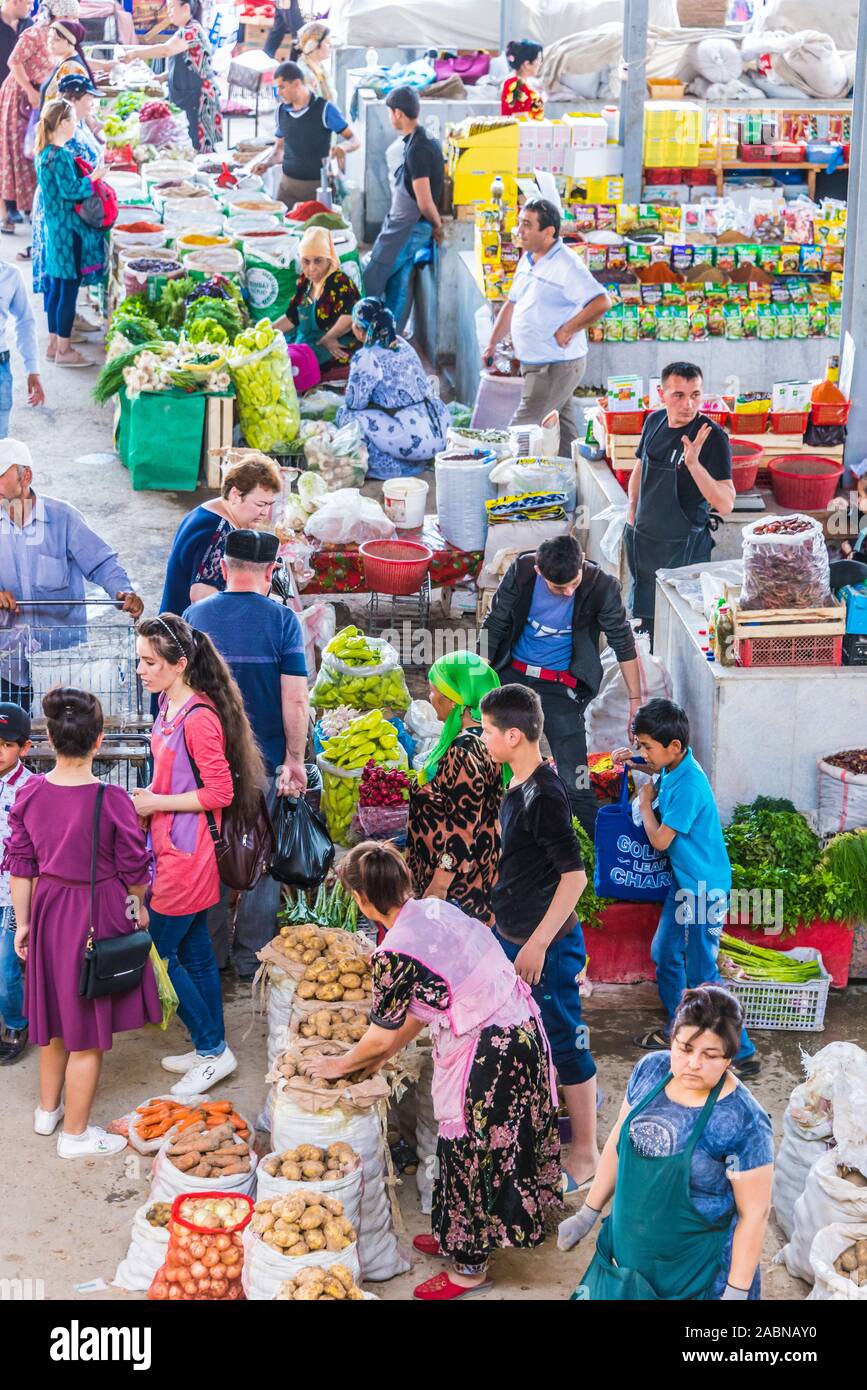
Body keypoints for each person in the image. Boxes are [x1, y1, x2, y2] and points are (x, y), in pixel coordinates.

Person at [303, 842, 562, 1302]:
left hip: (490, 1050)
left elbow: (384, 1032)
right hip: (518, 1031)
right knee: (464, 1148)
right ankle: (455, 1233)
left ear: (362, 899)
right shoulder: (434, 911)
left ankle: (470, 1268)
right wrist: (375, 1059)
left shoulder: (396, 951)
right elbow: (420, 1012)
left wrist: (341, 1064)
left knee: (469, 1150)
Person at [7, 687, 158, 1158]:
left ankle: (46, 1112)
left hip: (48, 910)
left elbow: (20, 866)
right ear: (99, 742)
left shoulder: (29, 793)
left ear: (50, 739)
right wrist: (139, 907)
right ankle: (74, 1135)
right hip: (97, 913)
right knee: (88, 1034)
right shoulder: (111, 799)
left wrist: (23, 925)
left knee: (53, 1019)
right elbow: (136, 872)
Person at [558, 986, 773, 1301]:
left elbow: (754, 1214)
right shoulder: (651, 1070)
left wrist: (736, 1292)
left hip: (696, 1275)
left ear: (729, 1057)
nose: (693, 1063)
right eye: (685, 1048)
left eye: (710, 1055)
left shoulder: (743, 1120)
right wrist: (588, 1212)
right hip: (627, 1260)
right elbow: (620, 1139)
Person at [133, 613, 266, 1096]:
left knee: (159, 955)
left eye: (149, 662)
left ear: (179, 663)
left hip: (187, 857)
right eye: (140, 661)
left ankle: (212, 1049)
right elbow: (178, 779)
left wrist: (156, 802)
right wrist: (152, 797)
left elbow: (221, 792)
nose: (142, 671)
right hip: (170, 846)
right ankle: (211, 1047)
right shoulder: (168, 706)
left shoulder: (199, 718)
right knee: (196, 955)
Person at [480, 683, 599, 1193]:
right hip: (517, 935)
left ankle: (586, 1153)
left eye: (486, 731)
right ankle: (553, 1125)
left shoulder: (546, 794)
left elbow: (575, 877)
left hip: (543, 947)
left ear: (513, 735)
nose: (481, 738)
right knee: (532, 1037)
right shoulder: (518, 781)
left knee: (565, 1038)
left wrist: (538, 944)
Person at [183, 530, 309, 980]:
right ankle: (251, 953)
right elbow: (295, 700)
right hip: (265, 763)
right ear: (271, 572)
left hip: (204, 765)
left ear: (223, 568)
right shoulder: (283, 622)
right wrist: (294, 760)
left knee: (211, 852)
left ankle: (211, 953)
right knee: (259, 854)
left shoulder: (195, 617)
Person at [613, 698, 759, 1077]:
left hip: (705, 891)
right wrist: (630, 760)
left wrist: (644, 804)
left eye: (646, 746)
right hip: (684, 882)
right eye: (640, 744)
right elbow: (654, 766)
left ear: (674, 747)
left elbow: (660, 840)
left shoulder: (690, 784)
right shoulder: (672, 765)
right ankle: (680, 1027)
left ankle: (742, 1051)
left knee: (703, 972)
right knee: (664, 952)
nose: (643, 751)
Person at [481, 534, 640, 838]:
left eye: (573, 582)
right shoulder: (524, 571)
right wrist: (481, 675)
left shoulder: (601, 586)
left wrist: (635, 698)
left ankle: (603, 856)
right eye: (558, 587)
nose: (568, 592)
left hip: (560, 688)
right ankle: (500, 840)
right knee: (493, 762)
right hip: (513, 675)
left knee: (575, 782)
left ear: (581, 561)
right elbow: (496, 622)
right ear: (541, 572)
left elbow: (623, 643)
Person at [0, 438, 143, 705]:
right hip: (8, 661)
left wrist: (122, 591)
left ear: (26, 476)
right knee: (11, 737)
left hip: (62, 659)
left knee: (64, 734)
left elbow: (101, 562)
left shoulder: (63, 517)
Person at [483, 198, 610, 458]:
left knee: (521, 431)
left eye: (527, 225)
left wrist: (568, 328)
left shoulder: (567, 264)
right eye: (520, 223)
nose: (519, 231)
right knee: (563, 431)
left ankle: (505, 488)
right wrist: (492, 342)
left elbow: (601, 302)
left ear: (549, 232)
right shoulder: (528, 258)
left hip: (554, 366)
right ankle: (572, 482)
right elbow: (512, 303)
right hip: (537, 363)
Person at [625, 361, 734, 640]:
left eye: (695, 395)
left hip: (683, 551)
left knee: (676, 633)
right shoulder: (654, 421)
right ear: (662, 395)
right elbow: (640, 468)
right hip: (644, 542)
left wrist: (694, 465)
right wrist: (631, 513)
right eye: (679, 395)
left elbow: (725, 503)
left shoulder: (711, 437)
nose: (688, 404)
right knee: (644, 626)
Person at [407, 651, 502, 924]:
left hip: (459, 890)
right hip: (469, 877)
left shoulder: (465, 753)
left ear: (452, 700)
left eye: (433, 690)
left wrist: (438, 886)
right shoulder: (483, 740)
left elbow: (462, 828)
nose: (429, 696)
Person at [336, 298, 449, 481]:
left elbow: (354, 402)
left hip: (415, 440)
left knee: (346, 415)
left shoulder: (366, 356)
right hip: (439, 431)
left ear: (357, 328)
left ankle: (388, 466)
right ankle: (411, 459)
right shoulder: (403, 344)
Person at [159, 453, 282, 618]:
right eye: (260, 504)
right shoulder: (217, 533)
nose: (265, 513)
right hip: (185, 638)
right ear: (235, 495)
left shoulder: (208, 510)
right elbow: (202, 599)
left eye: (269, 505)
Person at [363, 86, 444, 333]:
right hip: (407, 224)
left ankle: (365, 332)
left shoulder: (418, 148)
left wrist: (437, 226)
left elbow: (424, 199)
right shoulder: (424, 139)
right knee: (400, 281)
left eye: (390, 112)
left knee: (373, 276)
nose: (390, 117)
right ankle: (391, 337)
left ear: (398, 113)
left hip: (407, 227)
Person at [34, 98, 107, 368]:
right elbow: (72, 191)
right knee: (68, 290)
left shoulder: (44, 152)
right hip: (68, 232)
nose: (76, 125)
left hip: (54, 230)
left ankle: (54, 345)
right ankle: (65, 350)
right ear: (63, 123)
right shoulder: (60, 155)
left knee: (55, 288)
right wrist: (95, 176)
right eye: (74, 121)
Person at [0, 0, 75, 240]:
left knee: (32, 155)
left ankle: (29, 209)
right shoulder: (35, 33)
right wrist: (30, 91)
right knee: (14, 155)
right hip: (19, 97)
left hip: (38, 99)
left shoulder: (57, 35)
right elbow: (13, 62)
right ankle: (6, 214)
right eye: (71, 18)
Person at [32, 72, 102, 315]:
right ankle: (62, 338)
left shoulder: (71, 129)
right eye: (88, 99)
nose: (92, 104)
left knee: (61, 276)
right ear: (73, 100)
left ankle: (61, 331)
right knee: (62, 279)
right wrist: (94, 177)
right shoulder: (61, 146)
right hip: (61, 215)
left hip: (60, 212)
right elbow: (69, 188)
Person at [251, 61, 358, 211]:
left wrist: (343, 147)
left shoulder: (325, 109)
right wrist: (267, 164)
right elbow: (279, 150)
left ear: (296, 84)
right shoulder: (281, 112)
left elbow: (354, 140)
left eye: (282, 87)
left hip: (317, 189)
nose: (279, 93)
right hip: (287, 188)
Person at [122, 0, 221, 153]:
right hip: (189, 94)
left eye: (171, 8)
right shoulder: (185, 30)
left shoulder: (191, 30)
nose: (168, 12)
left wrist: (135, 54)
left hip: (198, 98)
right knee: (189, 145)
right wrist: (163, 77)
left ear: (185, 8)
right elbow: (190, 64)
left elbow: (166, 50)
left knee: (199, 148)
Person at [273, 225, 359, 370]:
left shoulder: (340, 283)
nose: (311, 268)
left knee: (290, 365)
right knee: (277, 351)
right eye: (306, 261)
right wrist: (269, 330)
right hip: (308, 341)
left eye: (318, 261)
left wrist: (329, 338)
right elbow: (292, 317)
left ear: (328, 259)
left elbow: (350, 316)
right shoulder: (305, 281)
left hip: (332, 345)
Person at [0, 700, 33, 1064]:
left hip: (13, 893)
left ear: (24, 748)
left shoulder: (32, 788)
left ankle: (15, 1023)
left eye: (7, 744)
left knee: (6, 965)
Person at [0, 0, 33, 231]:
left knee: (20, 153)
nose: (31, 7)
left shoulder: (28, 26)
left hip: (20, 102)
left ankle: (20, 202)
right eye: (29, 2)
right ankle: (6, 211)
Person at [0, 260, 44, 429]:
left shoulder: (11, 275)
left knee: (2, 445)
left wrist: (33, 368)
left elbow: (25, 322)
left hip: (1, 368)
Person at [39, 17, 93, 104]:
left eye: (57, 39)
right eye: (49, 37)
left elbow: (67, 106)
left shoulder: (71, 68)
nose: (50, 42)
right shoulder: (62, 62)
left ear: (70, 43)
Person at [501, 38, 544, 119]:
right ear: (526, 64)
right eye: (538, 59)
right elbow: (521, 122)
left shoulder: (521, 83)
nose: (540, 63)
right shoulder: (517, 86)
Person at [296, 20, 335, 103]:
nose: (331, 45)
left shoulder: (318, 68)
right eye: (327, 43)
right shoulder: (305, 74)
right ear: (313, 46)